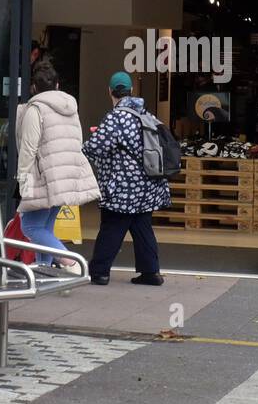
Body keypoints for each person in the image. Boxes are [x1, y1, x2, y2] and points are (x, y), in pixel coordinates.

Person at [82, 72, 170, 287]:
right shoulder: (147, 114)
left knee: (112, 226)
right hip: (148, 185)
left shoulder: (117, 117)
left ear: (110, 92)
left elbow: (94, 148)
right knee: (142, 227)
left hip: (123, 186)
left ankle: (100, 272)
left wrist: (90, 141)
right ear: (131, 91)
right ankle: (151, 273)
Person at [15, 62, 100, 269]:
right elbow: (77, 140)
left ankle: (71, 262)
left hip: (44, 176)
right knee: (46, 227)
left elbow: (28, 149)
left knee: (31, 226)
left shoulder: (35, 110)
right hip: (67, 174)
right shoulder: (71, 108)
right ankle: (45, 271)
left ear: (33, 88)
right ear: (58, 85)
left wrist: (23, 180)